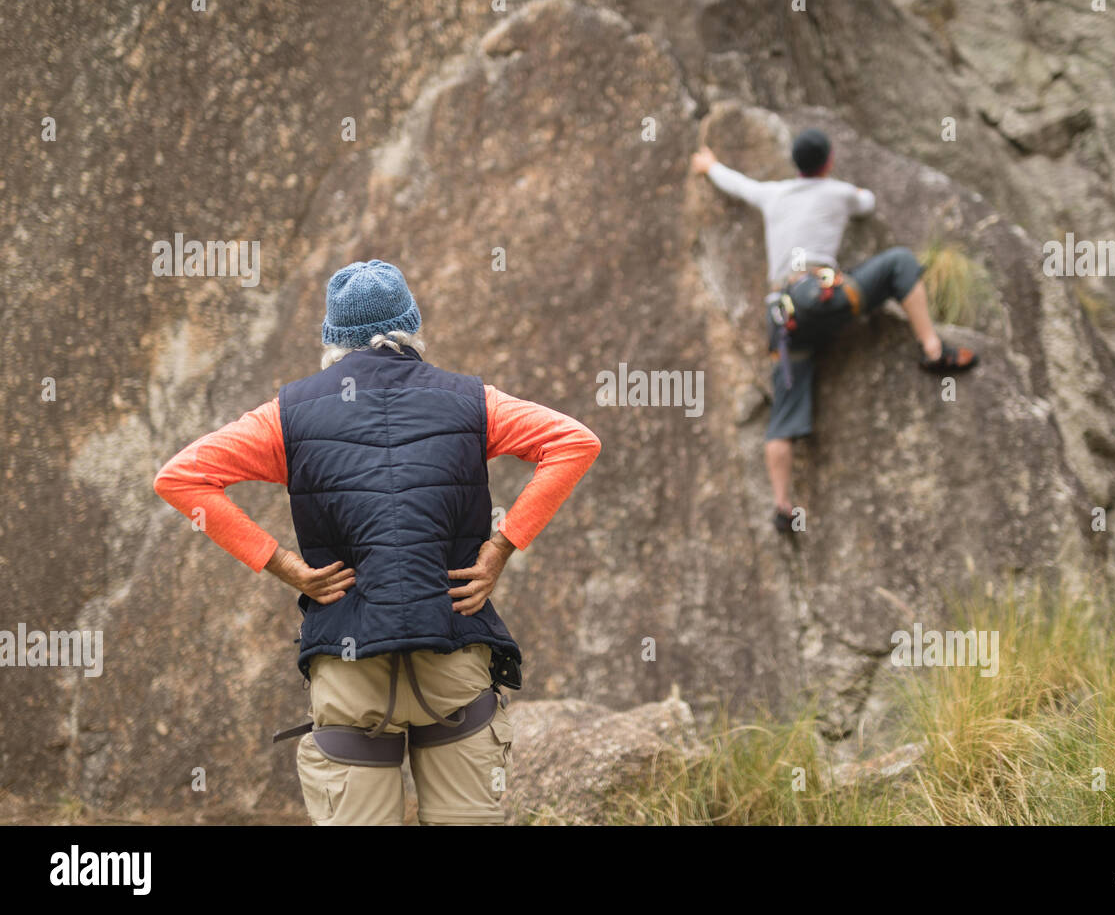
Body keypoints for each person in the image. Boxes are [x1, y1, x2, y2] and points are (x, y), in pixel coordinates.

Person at [153, 259, 601, 825]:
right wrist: (500, 547)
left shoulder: (288, 416)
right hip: (453, 656)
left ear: (332, 340)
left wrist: (285, 565)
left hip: (350, 666)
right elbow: (574, 442)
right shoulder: (471, 401)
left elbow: (180, 478)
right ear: (412, 326)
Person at [691, 129, 977, 534]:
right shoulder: (838, 192)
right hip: (820, 297)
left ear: (796, 163)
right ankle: (933, 349)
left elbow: (738, 185)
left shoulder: (772, 194)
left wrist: (709, 165)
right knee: (898, 262)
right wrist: (852, 190)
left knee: (784, 410)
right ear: (827, 162)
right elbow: (868, 202)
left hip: (783, 319)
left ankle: (782, 505)